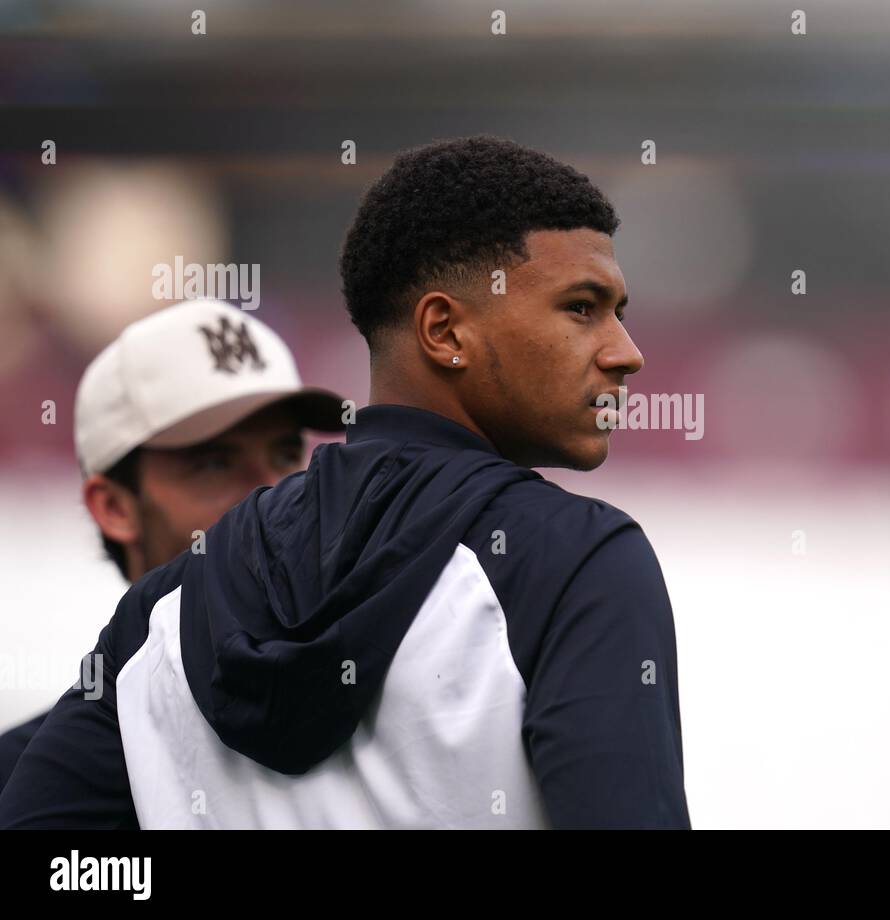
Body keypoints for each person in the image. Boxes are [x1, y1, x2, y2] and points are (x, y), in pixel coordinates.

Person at [0, 135, 691, 829]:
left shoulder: (166, 605)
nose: (624, 354)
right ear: (444, 331)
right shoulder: (578, 560)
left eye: (618, 313)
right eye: (582, 307)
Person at [0, 298, 344, 793]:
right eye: (214, 464)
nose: (273, 495)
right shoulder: (29, 778)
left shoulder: (392, 698)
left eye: (287, 454)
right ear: (115, 507)